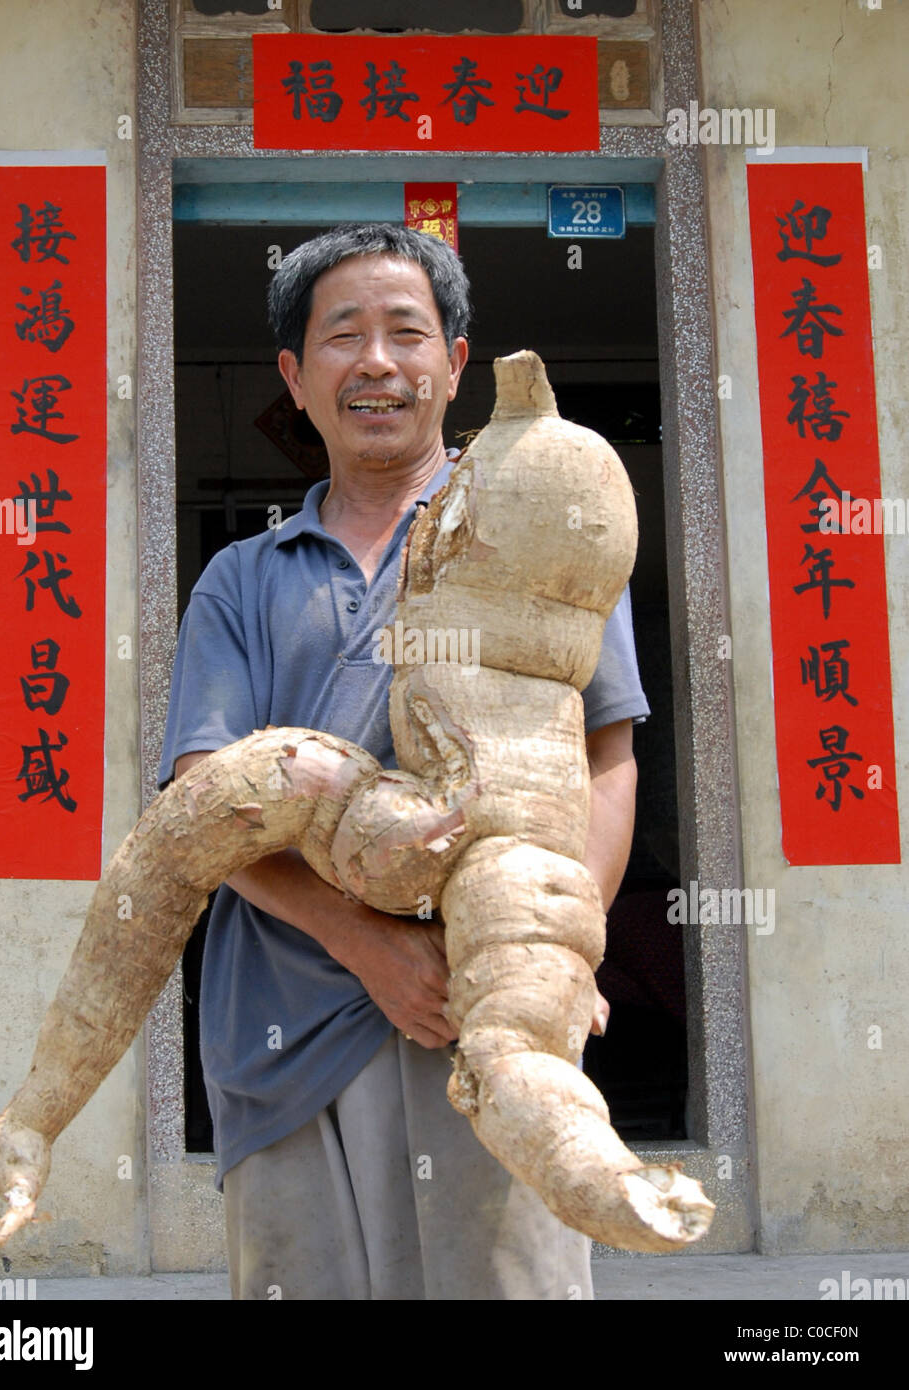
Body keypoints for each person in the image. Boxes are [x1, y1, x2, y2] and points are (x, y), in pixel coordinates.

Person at [159, 223, 650, 1300]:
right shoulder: (240, 581)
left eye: (405, 332)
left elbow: (605, 757)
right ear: (294, 374)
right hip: (282, 1039)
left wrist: (559, 945)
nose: (376, 362)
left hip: (490, 1020)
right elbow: (202, 808)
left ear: (455, 362)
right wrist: (363, 941)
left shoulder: (538, 527)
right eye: (342, 336)